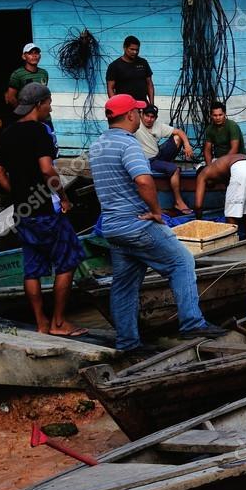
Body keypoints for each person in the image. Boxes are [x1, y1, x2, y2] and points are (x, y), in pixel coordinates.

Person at [89, 94, 225, 352]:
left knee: (125, 285)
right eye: (138, 112)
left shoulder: (97, 146)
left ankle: (128, 342)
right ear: (130, 115)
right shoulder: (129, 144)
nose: (140, 116)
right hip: (137, 224)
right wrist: (156, 211)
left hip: (113, 227)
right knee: (182, 261)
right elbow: (143, 180)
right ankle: (192, 323)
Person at [0, 83, 88, 337]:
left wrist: (20, 194)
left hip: (23, 212)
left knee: (32, 268)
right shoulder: (40, 132)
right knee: (68, 261)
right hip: (46, 211)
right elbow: (47, 169)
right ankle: (59, 322)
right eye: (49, 102)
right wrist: (64, 197)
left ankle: (41, 323)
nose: (50, 107)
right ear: (39, 104)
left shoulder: (8, 134)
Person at [137, 104, 194, 214]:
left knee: (177, 138)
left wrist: (187, 145)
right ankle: (178, 201)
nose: (149, 119)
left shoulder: (158, 125)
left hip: (158, 156)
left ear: (155, 118)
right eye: (146, 116)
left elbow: (180, 132)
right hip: (148, 161)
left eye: (152, 117)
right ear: (141, 115)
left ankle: (166, 166)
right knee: (175, 169)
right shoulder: (136, 125)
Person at [193, 154, 246, 237]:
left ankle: (232, 242)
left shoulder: (202, 174)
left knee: (230, 214)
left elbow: (198, 205)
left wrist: (198, 222)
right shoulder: (218, 166)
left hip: (240, 168)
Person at [105, 35, 154, 103]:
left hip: (142, 104)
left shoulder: (143, 62)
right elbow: (110, 88)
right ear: (125, 48)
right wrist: (116, 106)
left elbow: (149, 84)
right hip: (125, 106)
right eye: (132, 49)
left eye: (137, 50)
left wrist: (151, 105)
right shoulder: (114, 66)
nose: (135, 52)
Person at [5, 43, 49, 109]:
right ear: (24, 56)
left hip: (41, 113)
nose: (34, 56)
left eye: (36, 53)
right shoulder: (17, 74)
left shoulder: (43, 73)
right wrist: (23, 112)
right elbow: (11, 98)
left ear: (39, 56)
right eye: (30, 53)